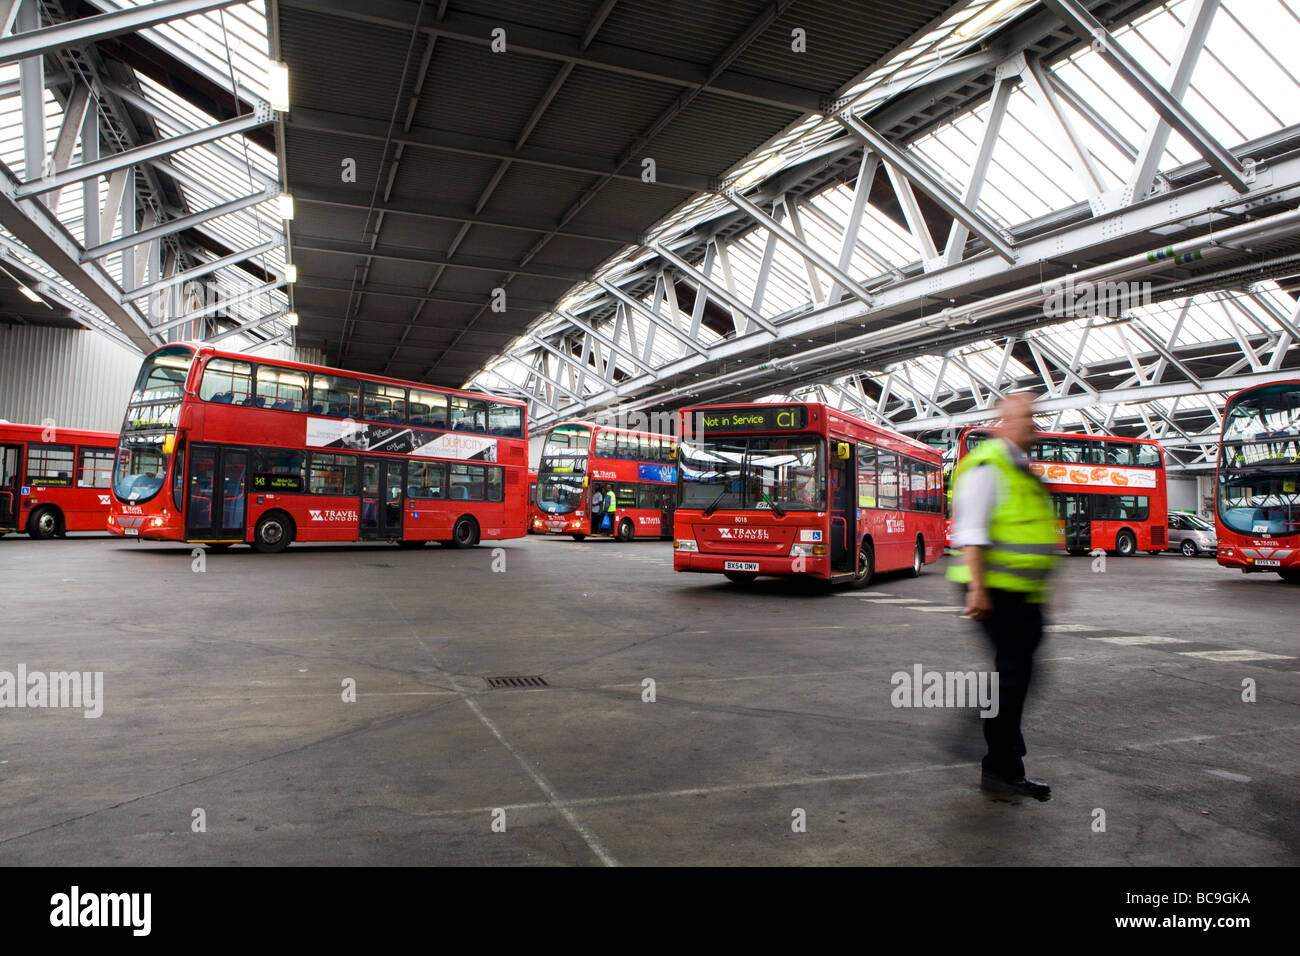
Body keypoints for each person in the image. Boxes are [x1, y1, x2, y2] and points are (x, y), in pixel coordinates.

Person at [947, 393, 1060, 801]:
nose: (1033, 423)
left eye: (1033, 415)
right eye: (1025, 416)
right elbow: (972, 531)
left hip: (1021, 593)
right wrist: (977, 588)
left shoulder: (1020, 468)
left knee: (1020, 674)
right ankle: (998, 763)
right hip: (993, 589)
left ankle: (998, 755)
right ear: (1004, 421)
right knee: (1014, 675)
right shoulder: (987, 465)